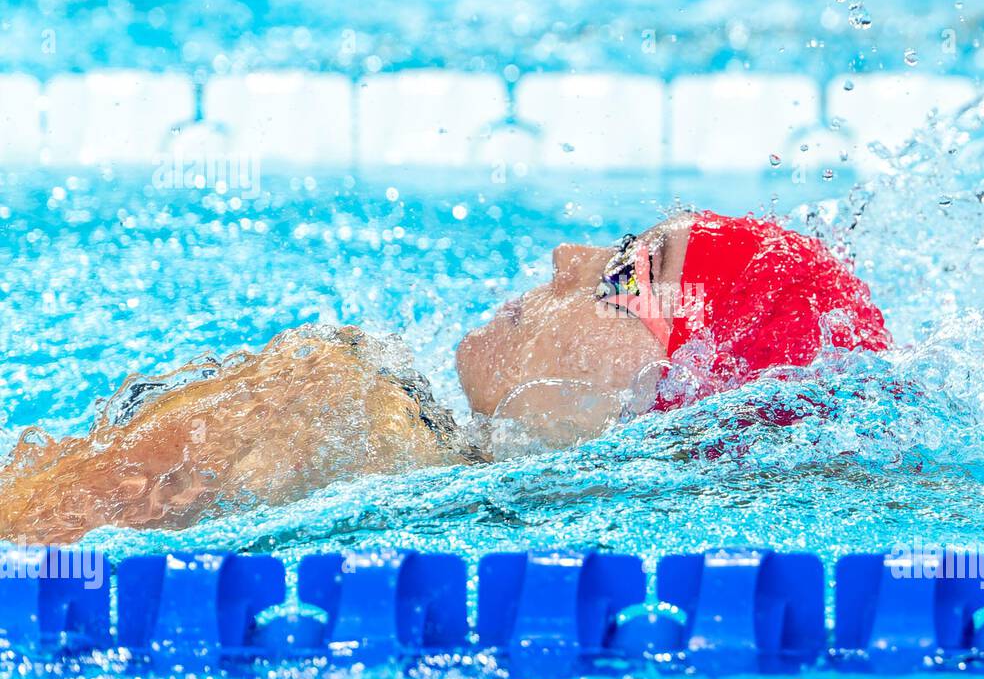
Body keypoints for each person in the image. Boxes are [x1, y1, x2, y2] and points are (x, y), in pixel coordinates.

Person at [0, 211, 890, 541]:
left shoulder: (336, 397)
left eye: (629, 272)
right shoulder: (381, 433)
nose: (571, 255)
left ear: (674, 389)